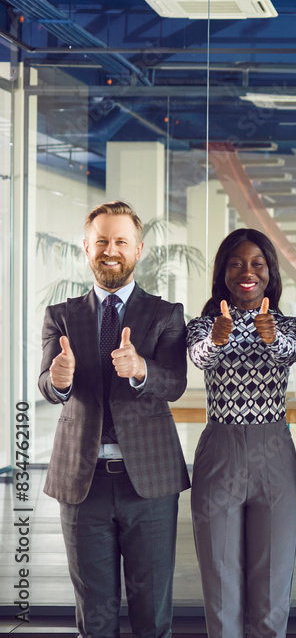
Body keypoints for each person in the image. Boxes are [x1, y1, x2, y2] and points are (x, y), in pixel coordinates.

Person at [38, 201, 189, 638]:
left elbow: (175, 383)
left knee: (152, 616)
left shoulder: (166, 314)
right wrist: (59, 380)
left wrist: (141, 370)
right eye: (101, 241)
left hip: (150, 483)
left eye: (121, 241)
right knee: (95, 618)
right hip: (81, 484)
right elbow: (47, 385)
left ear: (138, 249)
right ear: (87, 247)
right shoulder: (60, 315)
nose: (110, 250)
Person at [186, 228, 296, 638]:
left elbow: (290, 352)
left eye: (258, 263)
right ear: (223, 272)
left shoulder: (290, 326)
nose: (247, 272)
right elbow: (200, 356)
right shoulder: (202, 325)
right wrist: (217, 338)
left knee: (273, 584)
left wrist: (270, 336)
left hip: (274, 451)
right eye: (236, 263)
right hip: (220, 451)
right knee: (220, 583)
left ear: (271, 272)